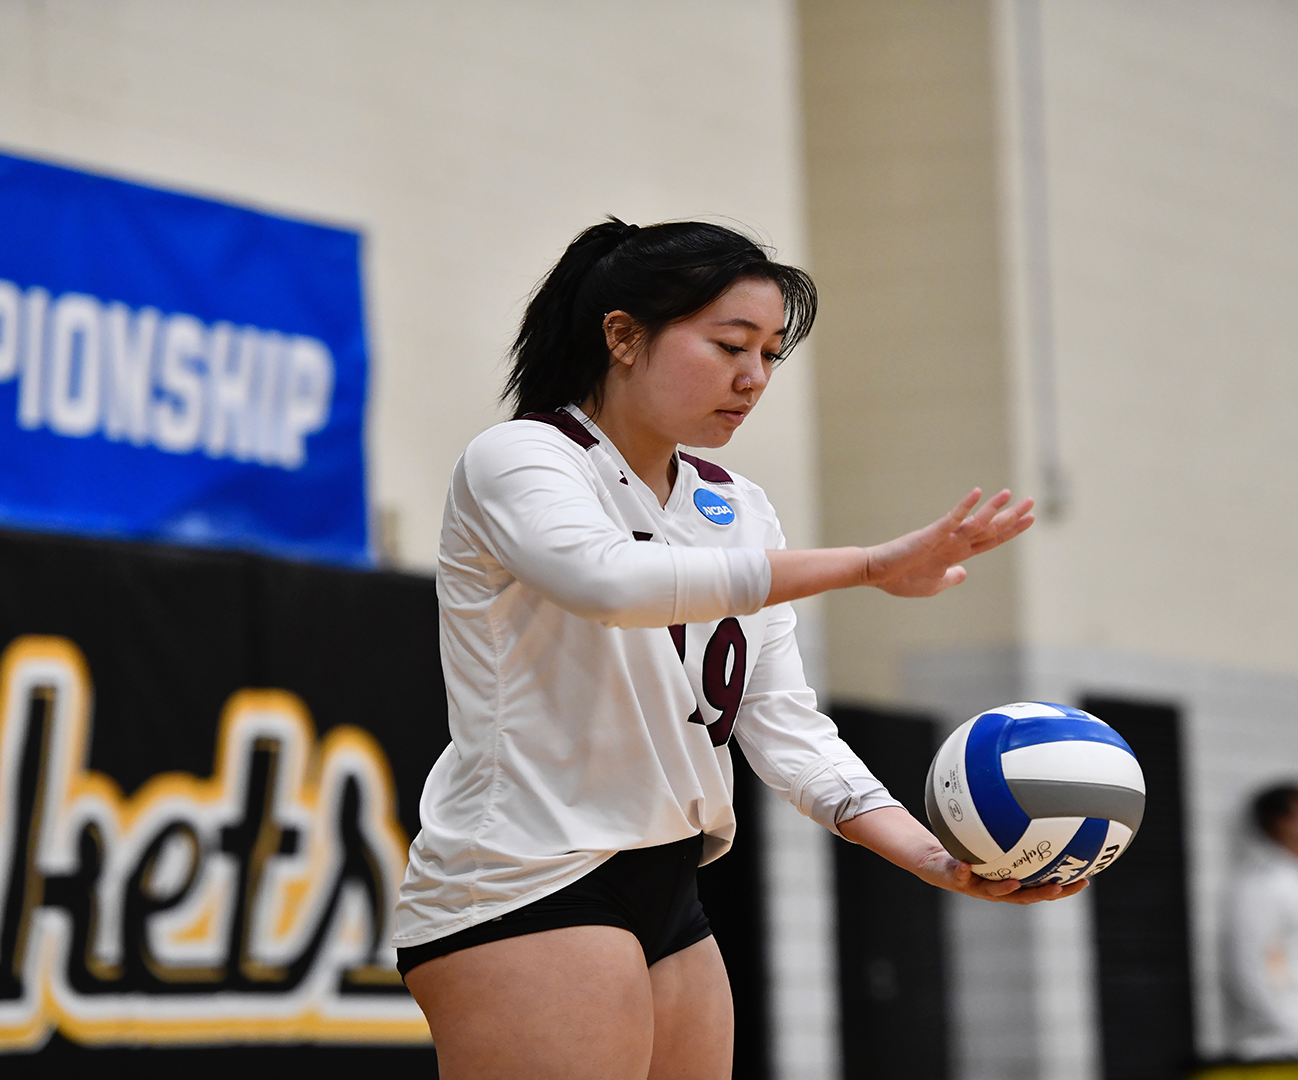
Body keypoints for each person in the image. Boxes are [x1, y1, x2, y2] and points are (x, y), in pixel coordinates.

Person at [392, 218, 1082, 1079]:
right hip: (525, 874)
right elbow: (609, 584)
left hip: (669, 887)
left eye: (769, 355)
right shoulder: (522, 457)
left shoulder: (737, 504)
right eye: (729, 346)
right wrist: (869, 565)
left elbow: (784, 727)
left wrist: (931, 856)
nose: (752, 378)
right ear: (623, 336)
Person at [1224, 781, 1298, 1066]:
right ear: (1280, 822)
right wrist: (1290, 1027)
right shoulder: (1263, 884)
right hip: (1279, 1045)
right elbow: (1251, 962)